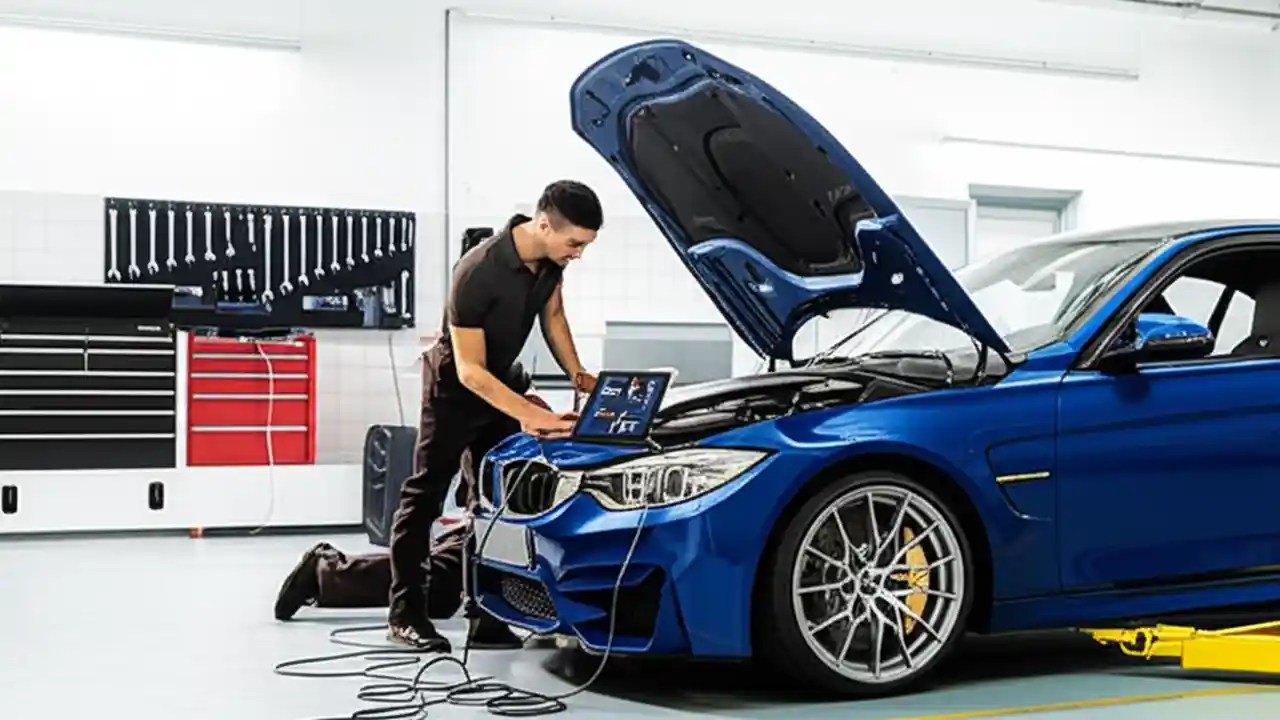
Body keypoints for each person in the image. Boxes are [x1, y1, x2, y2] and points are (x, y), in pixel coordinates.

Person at [386, 180, 601, 652]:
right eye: (575, 244)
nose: (578, 254)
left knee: (491, 501)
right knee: (424, 497)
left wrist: (578, 372)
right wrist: (530, 415)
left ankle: (484, 614)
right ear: (544, 225)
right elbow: (469, 371)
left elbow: (555, 317)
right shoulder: (477, 271)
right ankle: (404, 614)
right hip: (455, 391)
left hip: (501, 385)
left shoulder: (550, 262)